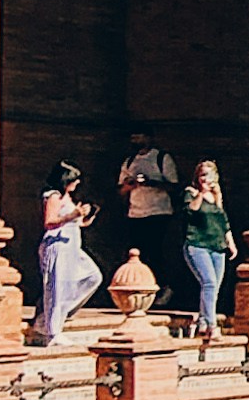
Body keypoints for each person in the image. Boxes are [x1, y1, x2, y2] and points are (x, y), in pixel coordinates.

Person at [35, 165, 102, 347]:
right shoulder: (54, 196)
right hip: (57, 245)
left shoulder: (68, 198)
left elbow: (77, 223)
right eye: (74, 179)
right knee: (57, 287)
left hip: (72, 245)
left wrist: (87, 216)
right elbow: (50, 221)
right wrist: (72, 214)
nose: (77, 183)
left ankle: (51, 317)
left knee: (92, 276)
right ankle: (53, 332)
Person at [118, 134, 182, 299]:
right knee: (137, 252)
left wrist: (151, 182)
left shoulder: (161, 158)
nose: (136, 142)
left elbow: (174, 186)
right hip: (136, 212)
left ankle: (162, 287)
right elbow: (120, 190)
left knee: (156, 251)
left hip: (158, 211)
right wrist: (129, 185)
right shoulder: (130, 161)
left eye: (139, 138)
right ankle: (140, 287)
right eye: (133, 138)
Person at [183, 157, 234, 338]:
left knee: (214, 286)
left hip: (217, 245)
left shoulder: (216, 196)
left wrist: (230, 241)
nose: (205, 178)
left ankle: (204, 322)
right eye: (202, 175)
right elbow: (191, 211)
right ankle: (212, 324)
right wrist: (201, 193)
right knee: (209, 282)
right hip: (198, 244)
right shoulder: (191, 192)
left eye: (209, 175)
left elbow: (221, 220)